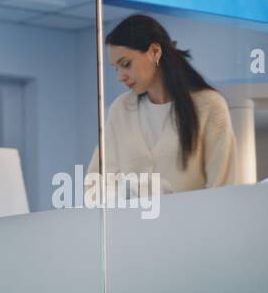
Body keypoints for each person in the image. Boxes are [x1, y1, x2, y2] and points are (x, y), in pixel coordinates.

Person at [88, 14, 237, 200]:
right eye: (116, 68)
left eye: (126, 64)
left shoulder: (209, 106)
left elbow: (223, 188)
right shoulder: (121, 109)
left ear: (155, 52)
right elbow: (94, 186)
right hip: (129, 228)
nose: (120, 76)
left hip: (190, 227)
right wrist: (127, 192)